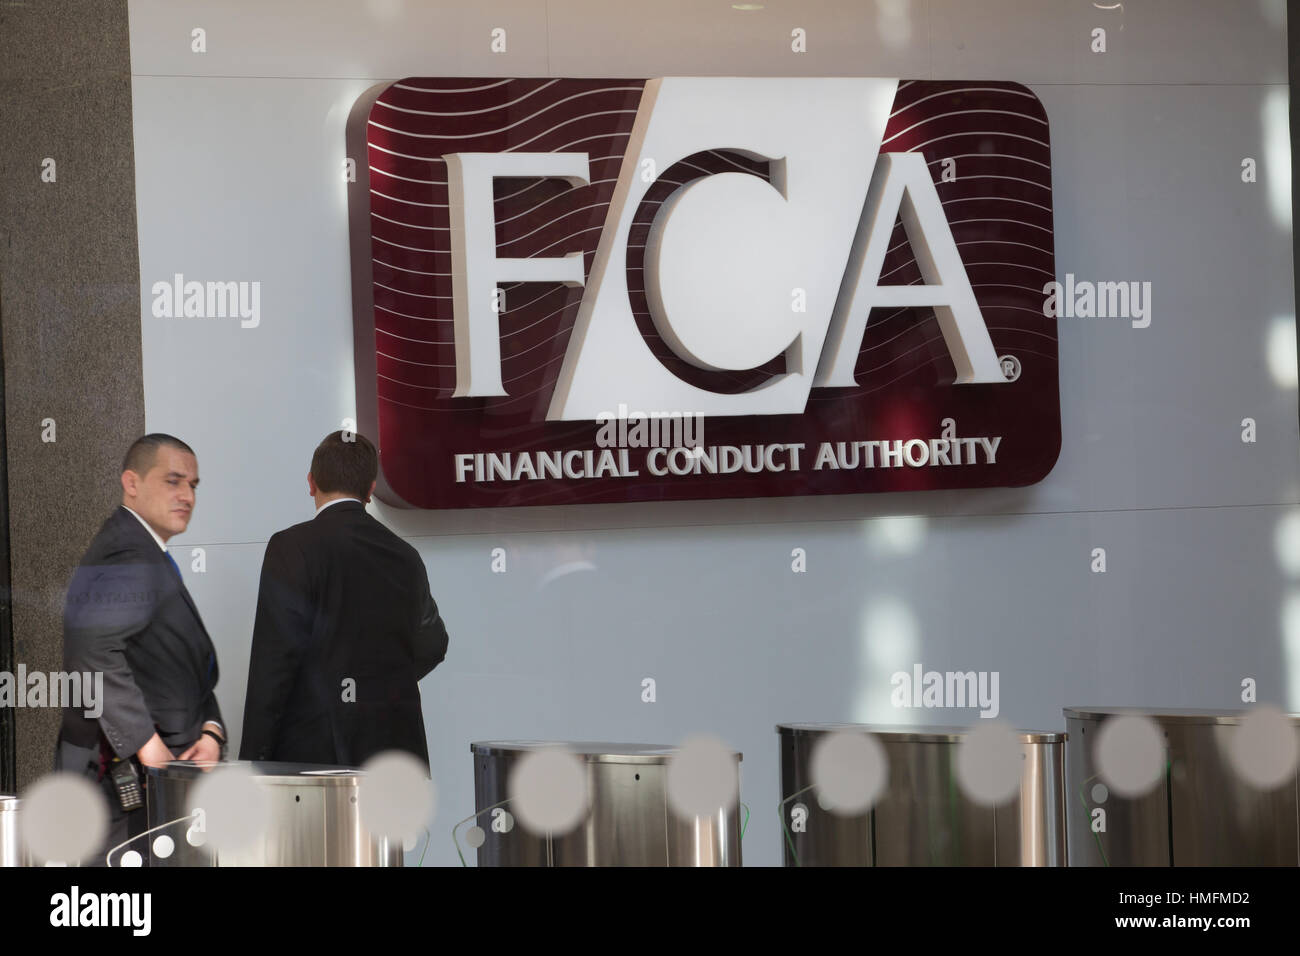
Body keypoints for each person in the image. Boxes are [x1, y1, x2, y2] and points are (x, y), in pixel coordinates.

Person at [55, 434, 225, 865]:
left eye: (193, 485)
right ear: (131, 482)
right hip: (124, 788)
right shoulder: (129, 551)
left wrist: (211, 732)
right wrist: (147, 745)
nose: (187, 495)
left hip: (155, 784)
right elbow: (90, 649)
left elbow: (185, 665)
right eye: (173, 481)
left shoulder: (147, 549)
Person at [239, 430, 449, 769]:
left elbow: (273, 663)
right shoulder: (405, 556)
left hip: (313, 757)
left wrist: (255, 761)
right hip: (396, 754)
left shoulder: (291, 547)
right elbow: (433, 643)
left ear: (311, 482)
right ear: (370, 489)